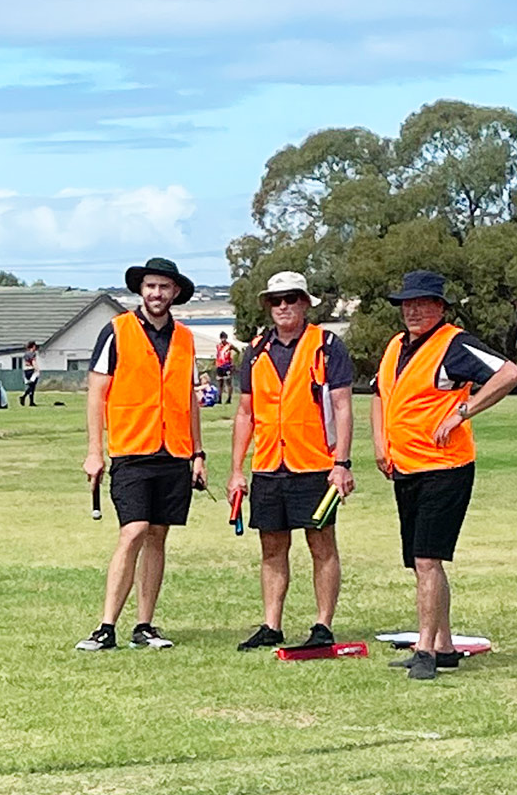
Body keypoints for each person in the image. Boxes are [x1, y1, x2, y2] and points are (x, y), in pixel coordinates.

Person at [373, 270, 517, 680]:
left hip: (445, 468)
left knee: (427, 559)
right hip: (405, 466)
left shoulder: (454, 343)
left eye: (422, 303)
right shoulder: (396, 347)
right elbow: (381, 394)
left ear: (440, 307)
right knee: (422, 562)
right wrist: (380, 444)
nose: (413, 310)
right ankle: (443, 645)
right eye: (407, 303)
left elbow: (509, 373)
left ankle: (424, 650)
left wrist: (464, 410)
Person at [77, 256, 206, 651]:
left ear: (175, 293)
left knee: (158, 536)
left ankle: (144, 625)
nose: (156, 293)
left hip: (175, 452)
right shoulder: (116, 331)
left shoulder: (185, 338)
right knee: (132, 531)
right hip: (132, 450)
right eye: (150, 286)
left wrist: (198, 453)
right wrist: (94, 451)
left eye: (164, 287)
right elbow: (97, 392)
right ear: (140, 290)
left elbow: (189, 398)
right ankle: (106, 626)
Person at [226, 271, 355, 652]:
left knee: (322, 545)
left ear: (305, 302)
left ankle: (322, 624)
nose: (283, 306)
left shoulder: (328, 346)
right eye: (276, 300)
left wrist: (342, 462)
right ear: (268, 305)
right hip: (268, 464)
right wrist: (236, 470)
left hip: (315, 462)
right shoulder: (255, 349)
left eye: (291, 298)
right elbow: (245, 413)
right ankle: (271, 624)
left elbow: (343, 407)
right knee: (271, 547)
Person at [214, 332, 236, 403]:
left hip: (227, 365)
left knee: (228, 382)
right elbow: (218, 355)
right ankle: (219, 399)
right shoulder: (218, 346)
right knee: (220, 383)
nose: (223, 339)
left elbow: (236, 351)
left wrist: (232, 361)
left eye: (224, 338)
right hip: (220, 365)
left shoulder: (229, 345)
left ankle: (229, 398)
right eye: (222, 338)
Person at [21, 341, 41, 406]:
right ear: (33, 346)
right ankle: (24, 397)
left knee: (31, 386)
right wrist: (37, 369)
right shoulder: (33, 354)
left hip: (26, 370)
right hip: (31, 370)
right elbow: (33, 362)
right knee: (32, 385)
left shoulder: (26, 354)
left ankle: (31, 401)